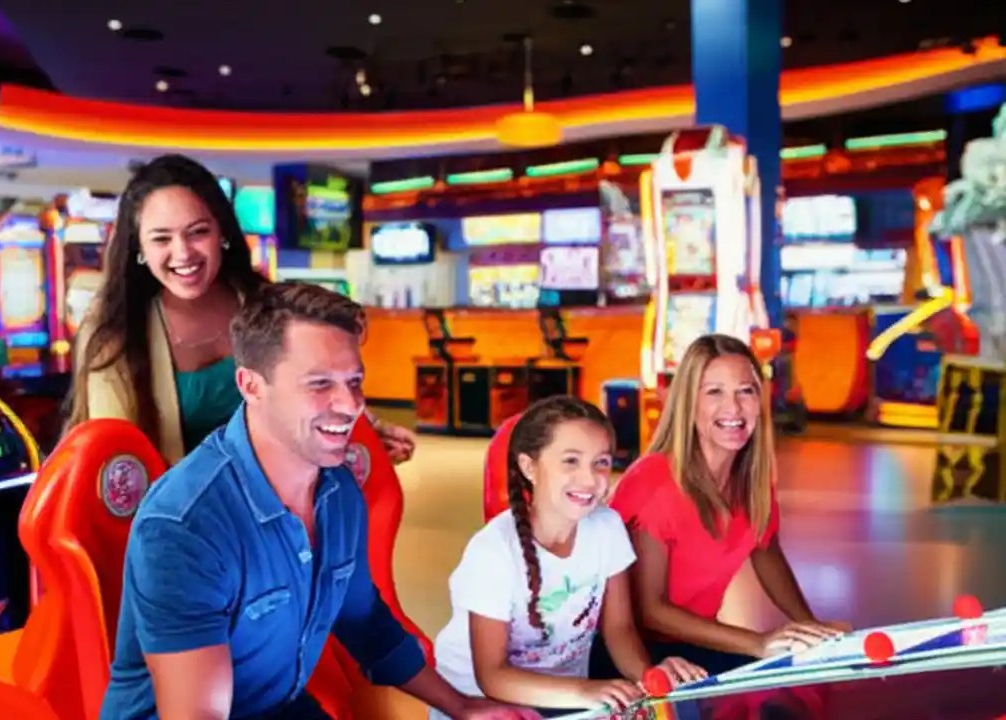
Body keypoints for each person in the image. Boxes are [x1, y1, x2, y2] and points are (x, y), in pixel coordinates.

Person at [99, 282, 538, 720]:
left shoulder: (338, 490)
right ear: (251, 385)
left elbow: (366, 623)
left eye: (354, 381)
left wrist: (463, 707)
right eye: (320, 384)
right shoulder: (186, 525)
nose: (349, 405)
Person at [65, 153, 416, 464]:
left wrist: (363, 434)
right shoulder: (114, 330)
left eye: (197, 231)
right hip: (180, 523)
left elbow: (319, 388)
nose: (183, 252)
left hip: (285, 513)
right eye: (161, 238)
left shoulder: (271, 307)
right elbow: (113, 464)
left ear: (222, 233)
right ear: (138, 248)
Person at [432, 396, 705, 717]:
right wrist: (585, 690)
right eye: (571, 461)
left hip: (567, 702)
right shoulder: (492, 552)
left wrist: (648, 680)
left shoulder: (607, 527)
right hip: (481, 704)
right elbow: (492, 676)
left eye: (601, 462)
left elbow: (619, 630)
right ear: (529, 466)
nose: (589, 479)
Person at [608, 334, 848, 676]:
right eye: (714, 392)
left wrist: (809, 628)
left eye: (745, 391)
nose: (733, 408)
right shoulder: (655, 481)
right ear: (688, 402)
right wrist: (759, 642)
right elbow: (651, 610)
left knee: (793, 685)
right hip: (633, 653)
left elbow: (766, 549)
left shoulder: (751, 479)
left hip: (694, 640)